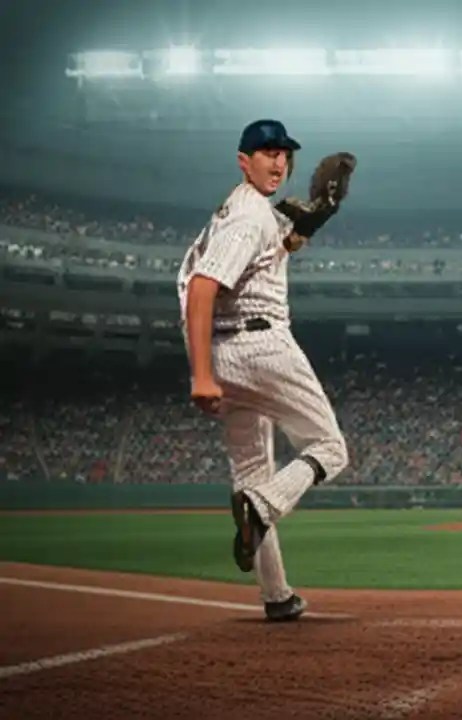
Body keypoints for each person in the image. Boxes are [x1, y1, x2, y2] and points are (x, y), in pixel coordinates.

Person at [177, 119, 350, 621]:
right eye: (267, 152)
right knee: (330, 449)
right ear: (243, 159)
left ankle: (276, 596)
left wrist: (301, 233)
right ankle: (264, 506)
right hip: (261, 346)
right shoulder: (250, 217)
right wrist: (198, 376)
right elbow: (204, 289)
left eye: (284, 155)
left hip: (228, 351)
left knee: (251, 471)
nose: (279, 162)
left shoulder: (243, 208)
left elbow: (266, 253)